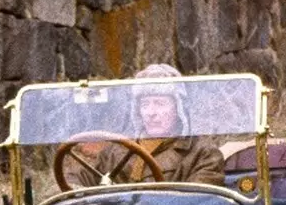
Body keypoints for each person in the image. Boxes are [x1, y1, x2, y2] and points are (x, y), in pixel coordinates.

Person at [83, 63, 225, 186]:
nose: (151, 112)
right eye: (145, 104)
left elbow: (196, 203)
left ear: (178, 108)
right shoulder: (116, 150)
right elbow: (79, 178)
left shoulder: (202, 153)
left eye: (160, 103)